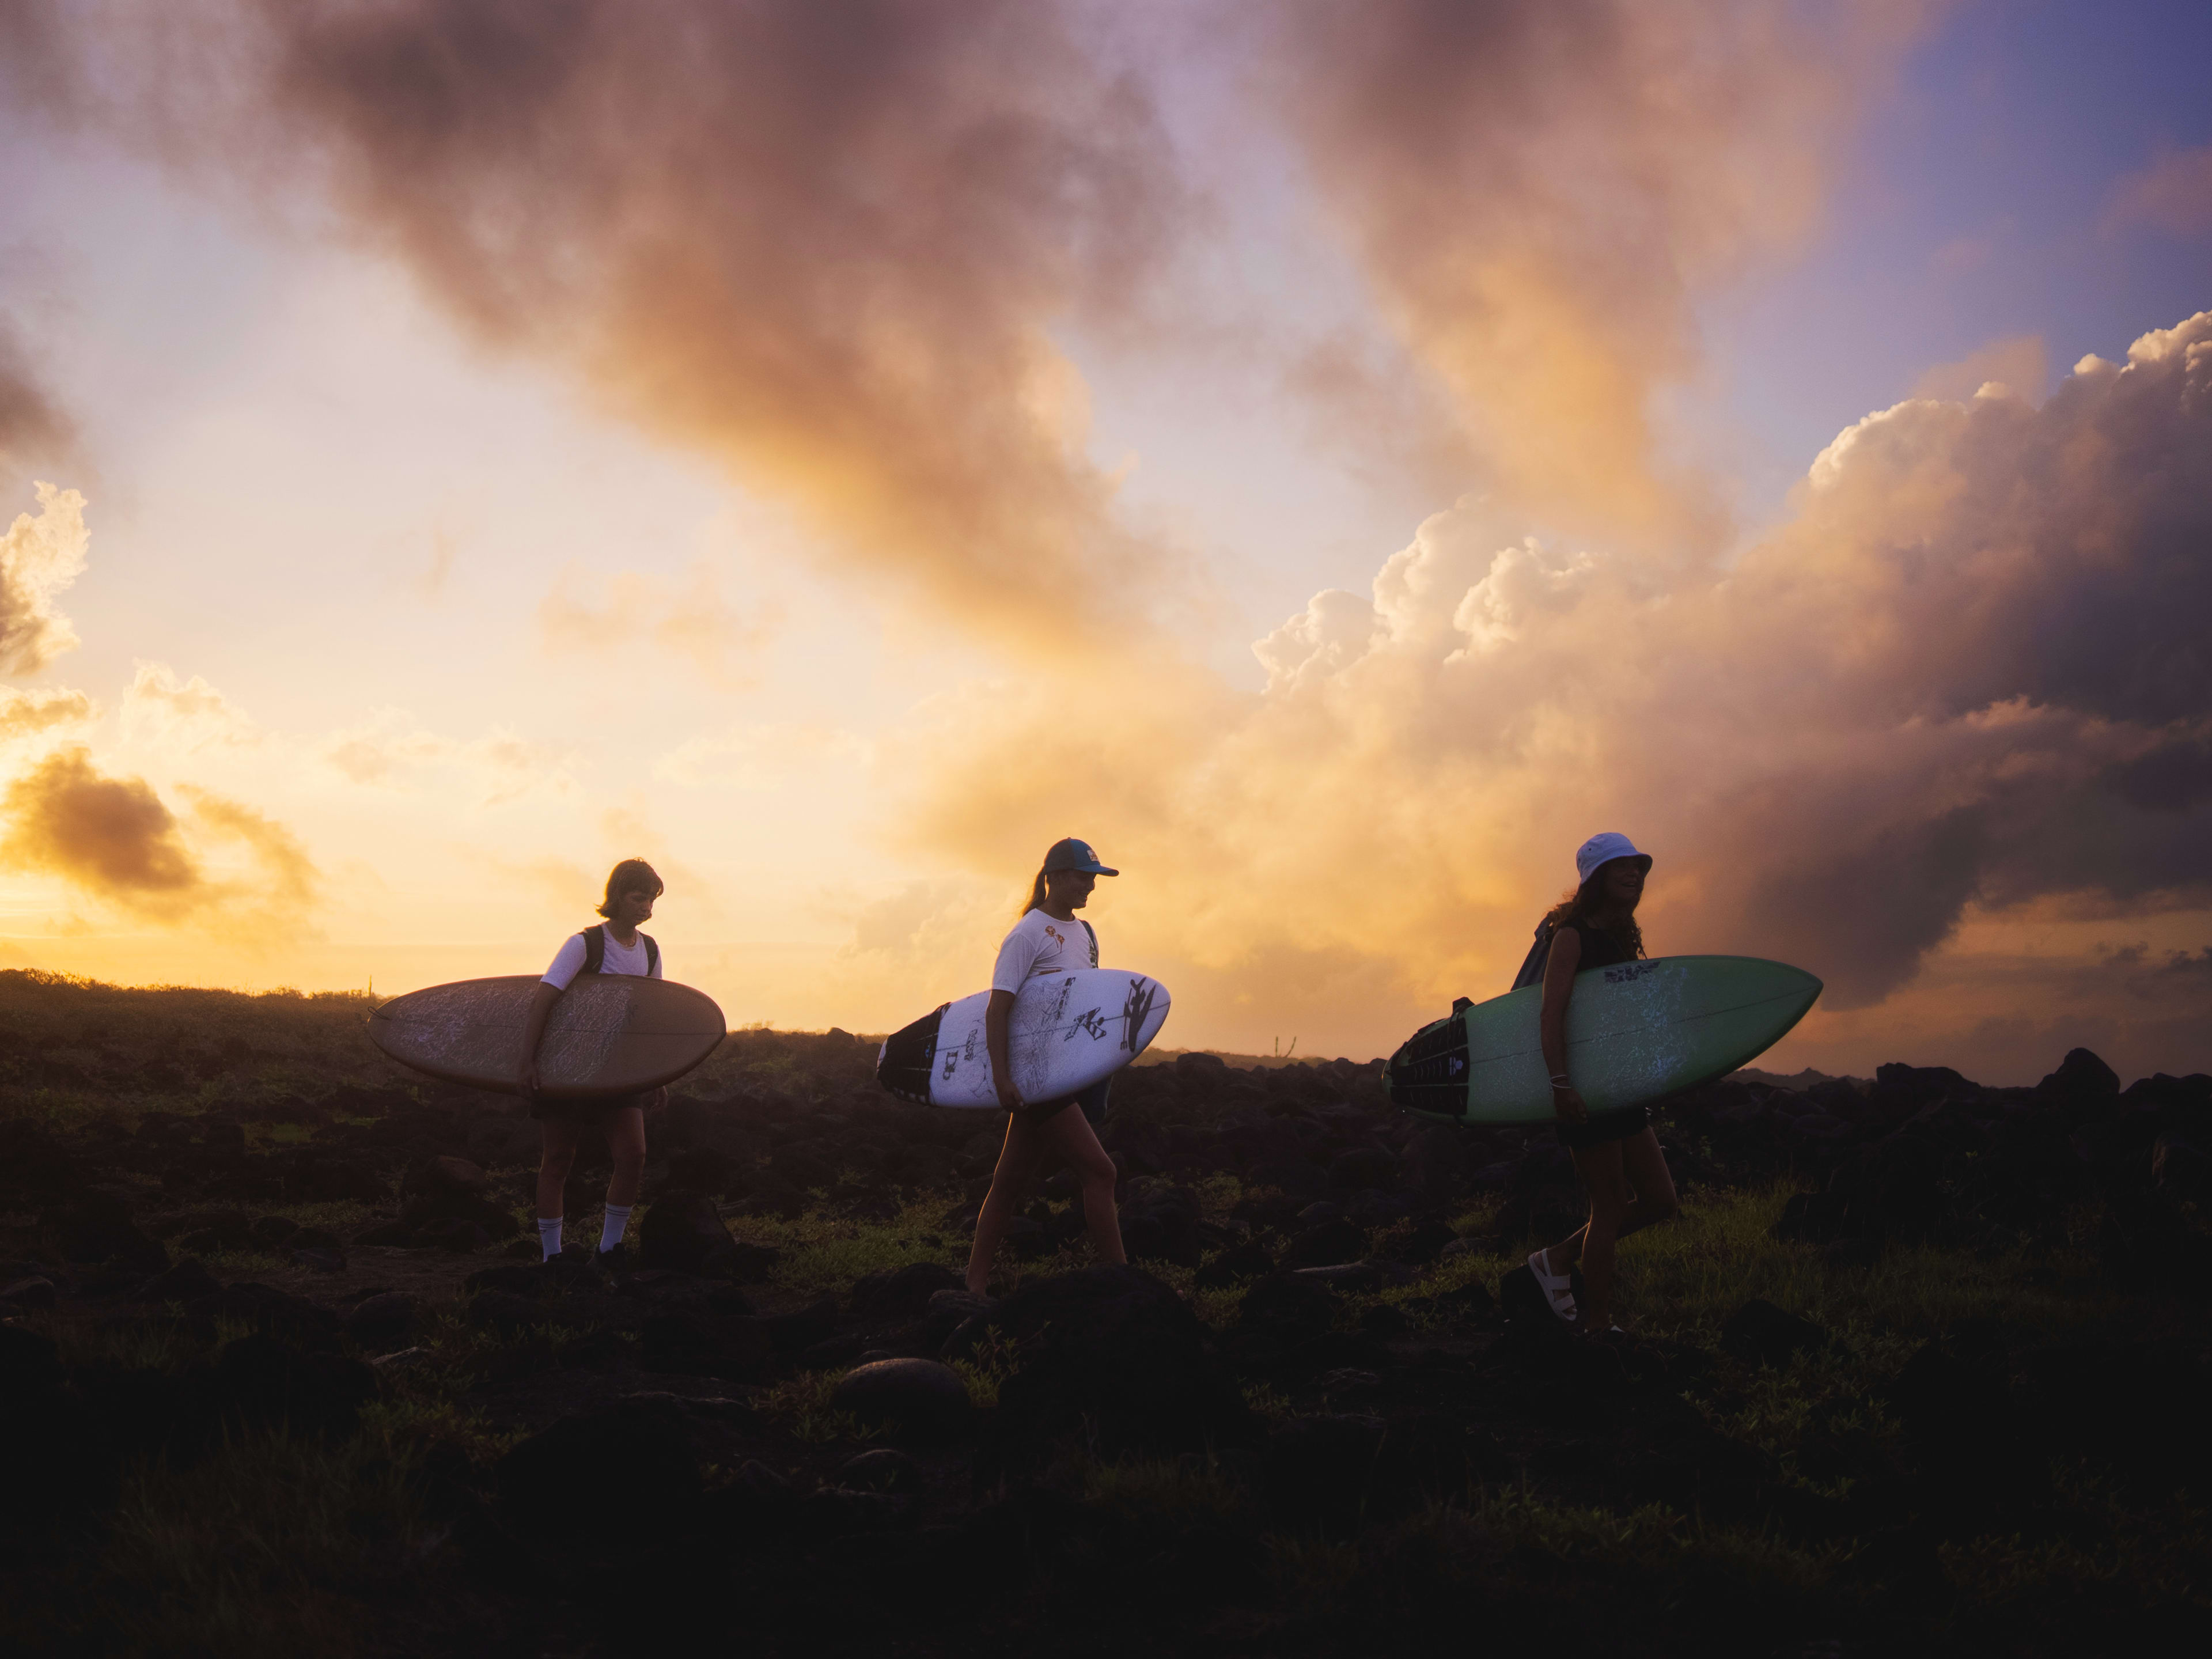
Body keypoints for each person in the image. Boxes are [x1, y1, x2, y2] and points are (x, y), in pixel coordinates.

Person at [1521, 832, 1680, 1335]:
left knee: (1660, 1200)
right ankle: (1598, 1327)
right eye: (1621, 869)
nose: (1634, 876)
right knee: (1608, 1205)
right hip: (1584, 1088)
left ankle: (1556, 1259)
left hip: (1619, 1084)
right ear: (1596, 879)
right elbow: (1552, 1015)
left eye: (1637, 868)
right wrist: (1562, 1085)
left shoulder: (1621, 934)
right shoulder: (1572, 936)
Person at [964, 838, 1128, 1297]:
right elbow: (998, 1010)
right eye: (1082, 876)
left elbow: (1085, 1007)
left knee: (1009, 1181)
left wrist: (1096, 1068)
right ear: (1053, 877)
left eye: (1093, 878)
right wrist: (1002, 1077)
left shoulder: (1086, 934)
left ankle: (973, 1286)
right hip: (1037, 1077)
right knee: (1101, 1173)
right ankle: (1123, 1280)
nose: (1089, 887)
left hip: (1066, 1073)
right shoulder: (1028, 933)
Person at [519, 858, 668, 1270]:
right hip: (569, 1069)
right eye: (639, 898)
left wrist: (659, 1073)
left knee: (633, 1155)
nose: (646, 908)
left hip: (620, 1072)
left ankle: (609, 1250)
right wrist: (528, 1062)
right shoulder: (584, 944)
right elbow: (543, 1001)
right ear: (617, 896)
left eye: (652, 900)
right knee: (559, 1160)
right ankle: (553, 1257)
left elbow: (649, 1016)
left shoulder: (650, 950)